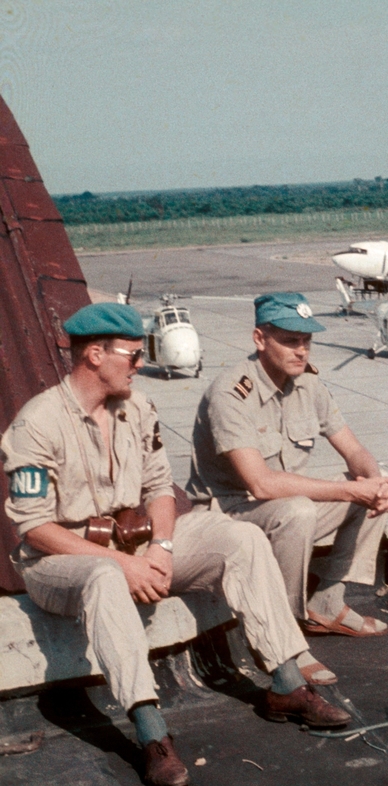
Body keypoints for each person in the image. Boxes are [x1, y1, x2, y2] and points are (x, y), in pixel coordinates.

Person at [1, 303, 351, 786]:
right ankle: (152, 733)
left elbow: (160, 489)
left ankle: (286, 686)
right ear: (95, 355)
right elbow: (35, 528)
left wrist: (161, 548)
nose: (141, 364)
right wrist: (124, 565)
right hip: (61, 559)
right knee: (104, 577)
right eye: (133, 355)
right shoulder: (36, 423)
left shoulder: (137, 408)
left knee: (241, 536)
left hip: (136, 541)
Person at [187, 292, 388, 651]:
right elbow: (261, 484)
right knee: (298, 511)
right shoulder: (231, 394)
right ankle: (282, 634)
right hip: (230, 515)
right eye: (290, 341)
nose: (301, 351)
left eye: (306, 341)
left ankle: (327, 602)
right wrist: (351, 491)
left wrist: (376, 485)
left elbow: (353, 450)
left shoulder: (307, 383)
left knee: (376, 488)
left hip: (283, 509)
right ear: (260, 339)